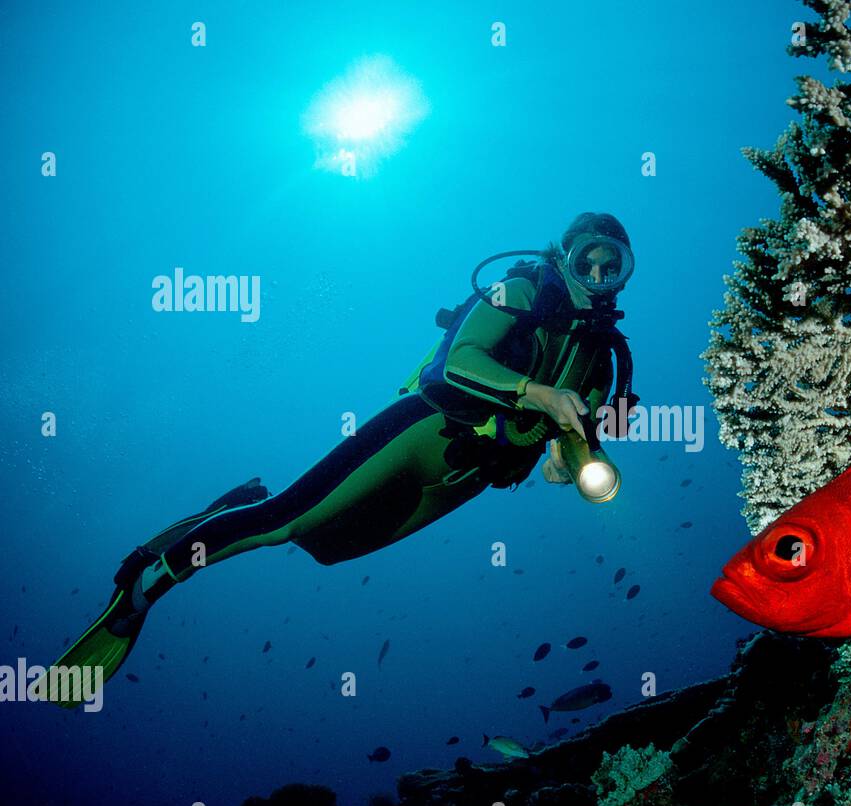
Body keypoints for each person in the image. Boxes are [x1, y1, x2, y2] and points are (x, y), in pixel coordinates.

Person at [48, 212, 638, 706]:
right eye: (588, 257)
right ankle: (142, 588)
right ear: (561, 255)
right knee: (286, 522)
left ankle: (230, 509)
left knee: (328, 547)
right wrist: (537, 395)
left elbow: (579, 437)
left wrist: (571, 458)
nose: (597, 273)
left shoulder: (605, 359)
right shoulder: (519, 291)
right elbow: (457, 362)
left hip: (468, 477)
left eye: (613, 265)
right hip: (427, 430)